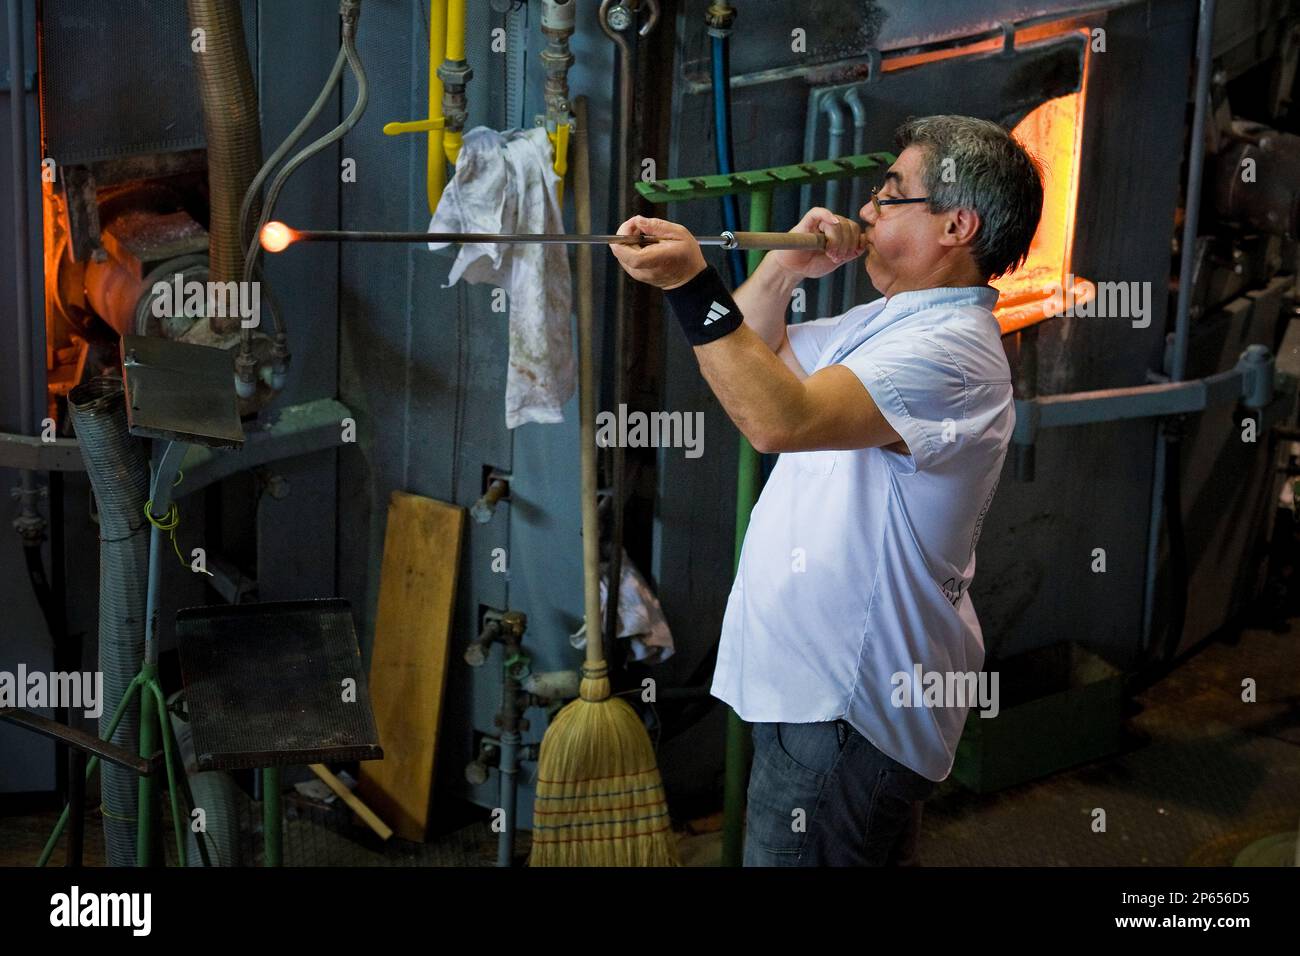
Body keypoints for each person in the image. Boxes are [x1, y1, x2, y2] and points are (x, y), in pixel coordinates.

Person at [609, 115, 1044, 866]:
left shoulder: (951, 356)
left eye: (890, 195)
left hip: (851, 708)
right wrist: (781, 270)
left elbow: (778, 418)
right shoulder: (888, 320)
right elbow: (756, 356)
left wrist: (689, 282)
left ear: (956, 225)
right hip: (816, 693)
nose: (867, 211)